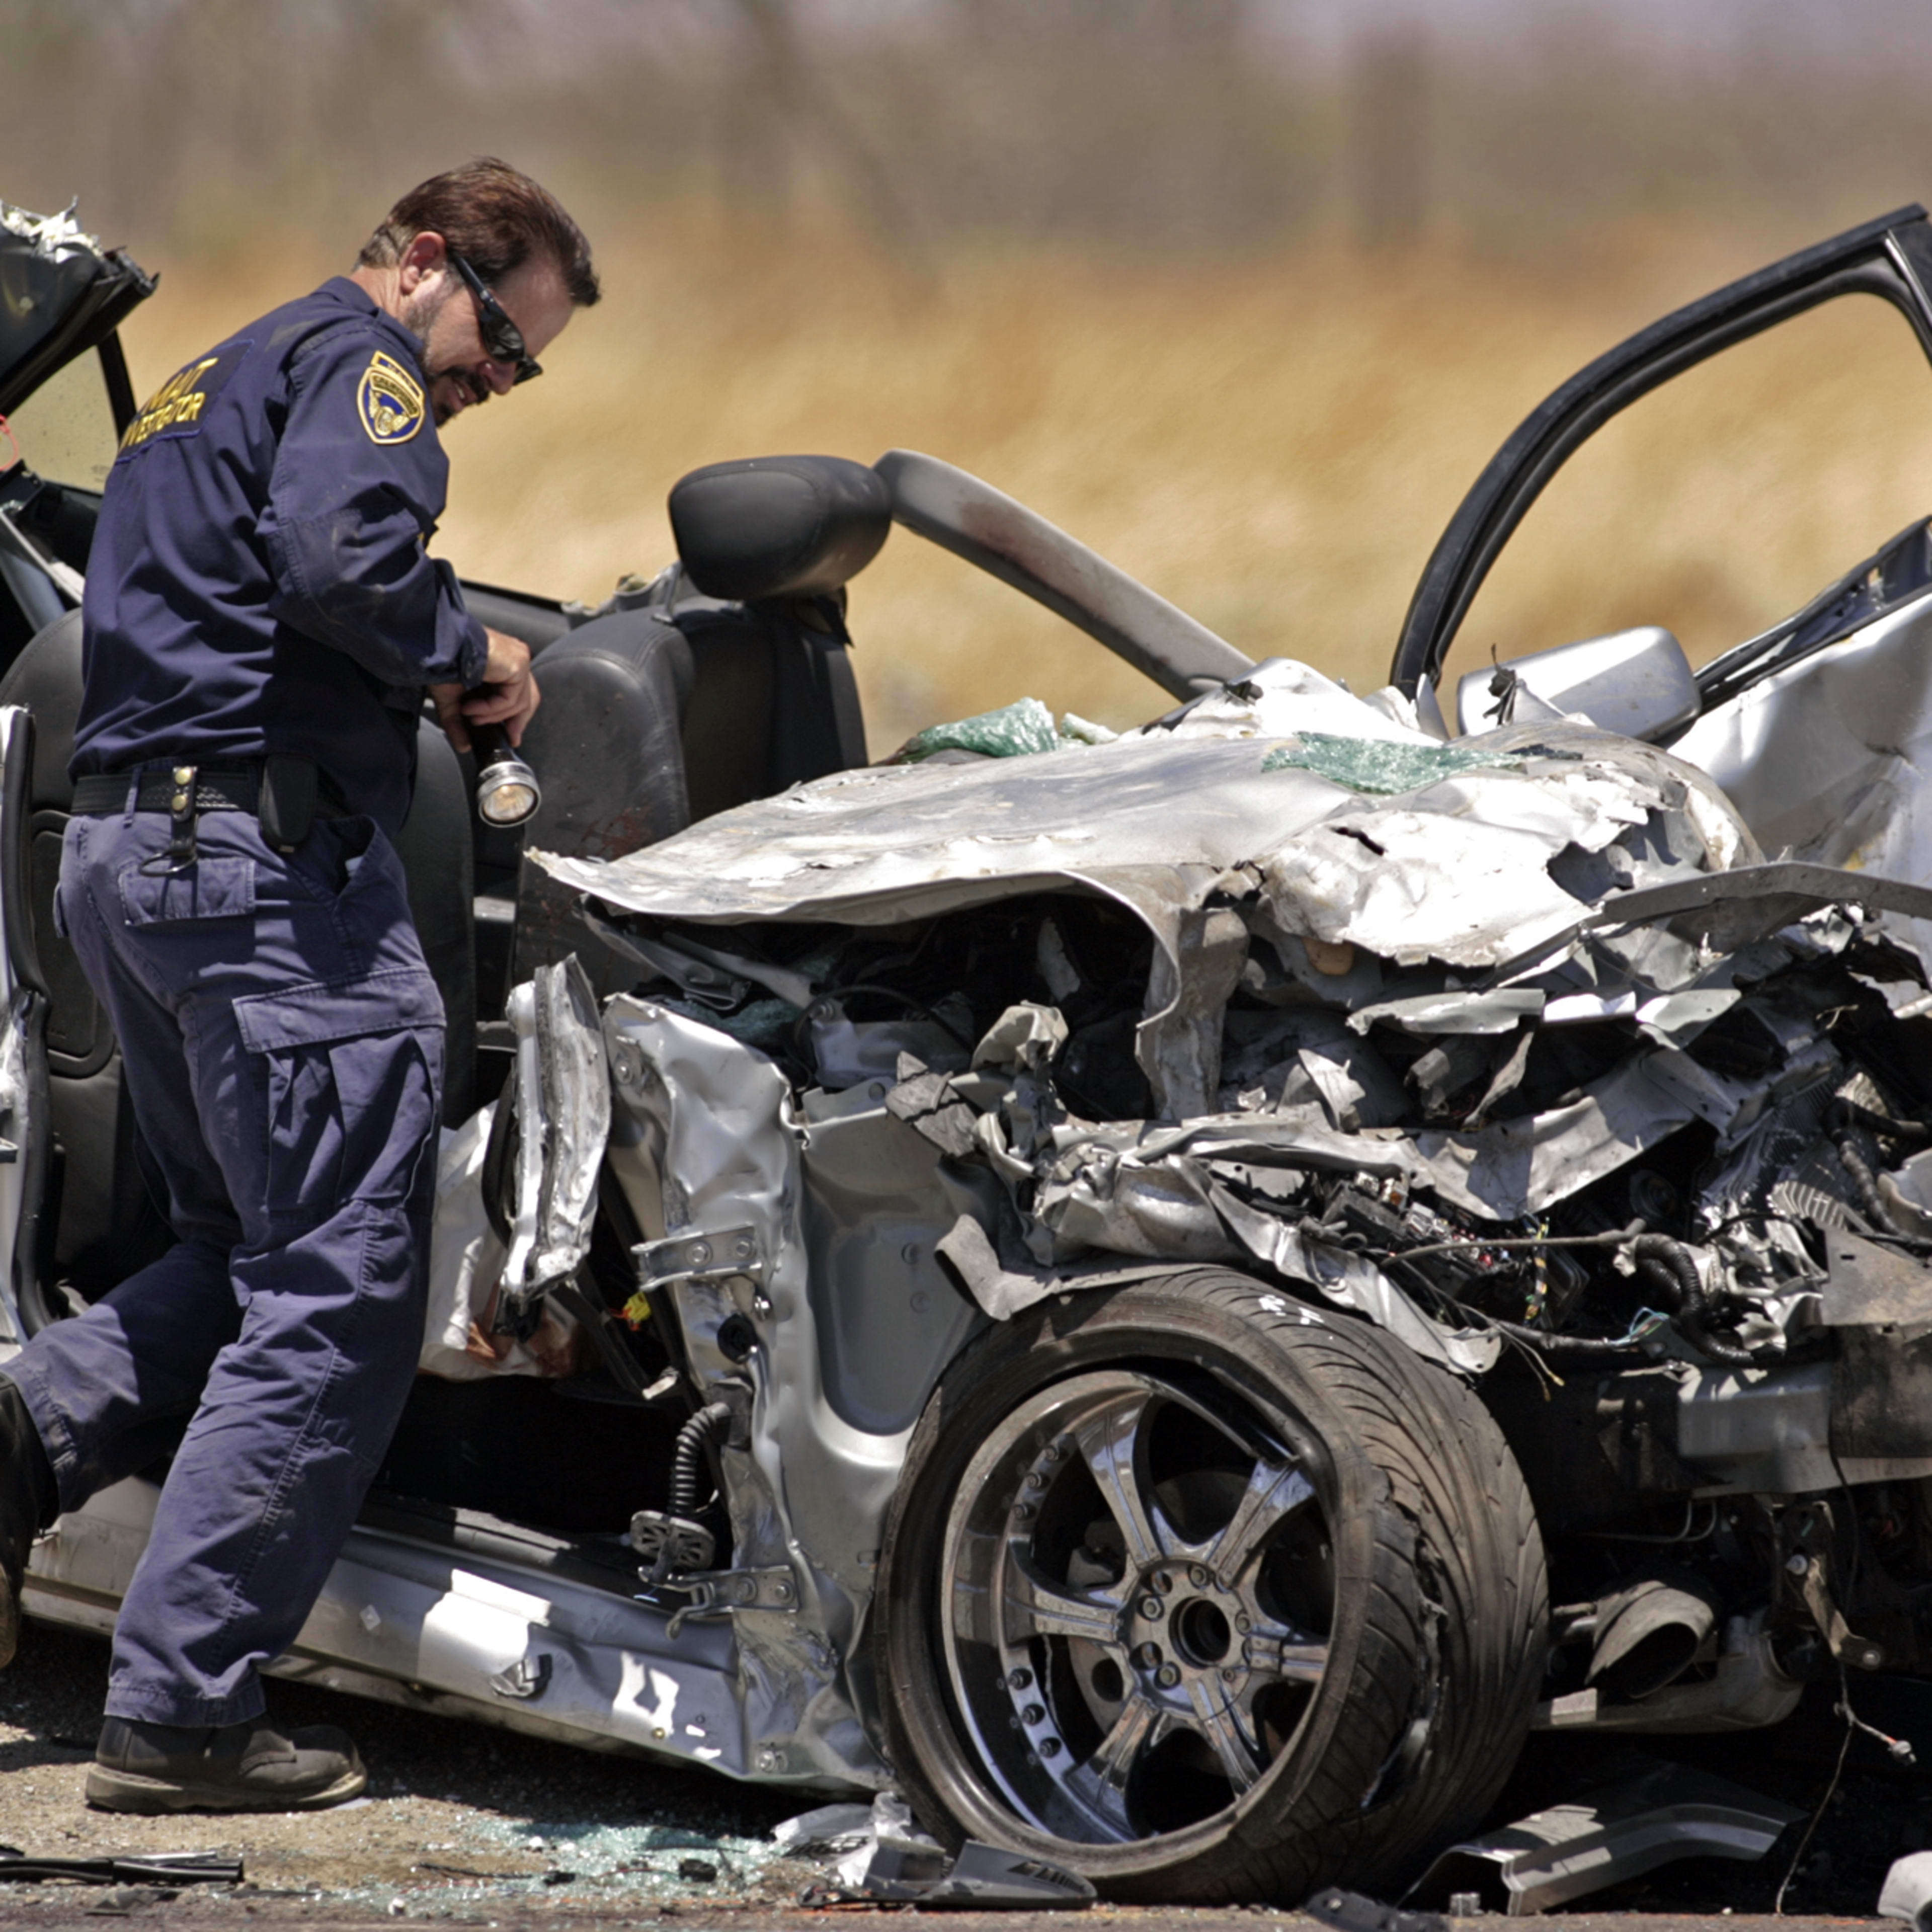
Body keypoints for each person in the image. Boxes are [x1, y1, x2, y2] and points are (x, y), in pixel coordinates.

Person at [0, 158, 598, 1813]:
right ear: (422, 262)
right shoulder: (366, 368)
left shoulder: (215, 371)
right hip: (258, 879)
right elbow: (345, 560)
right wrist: (475, 657)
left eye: (522, 368)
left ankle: (11, 1458)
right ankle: (183, 1716)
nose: (495, 381)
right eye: (500, 335)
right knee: (337, 1289)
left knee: (230, 1252)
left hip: (128, 864)